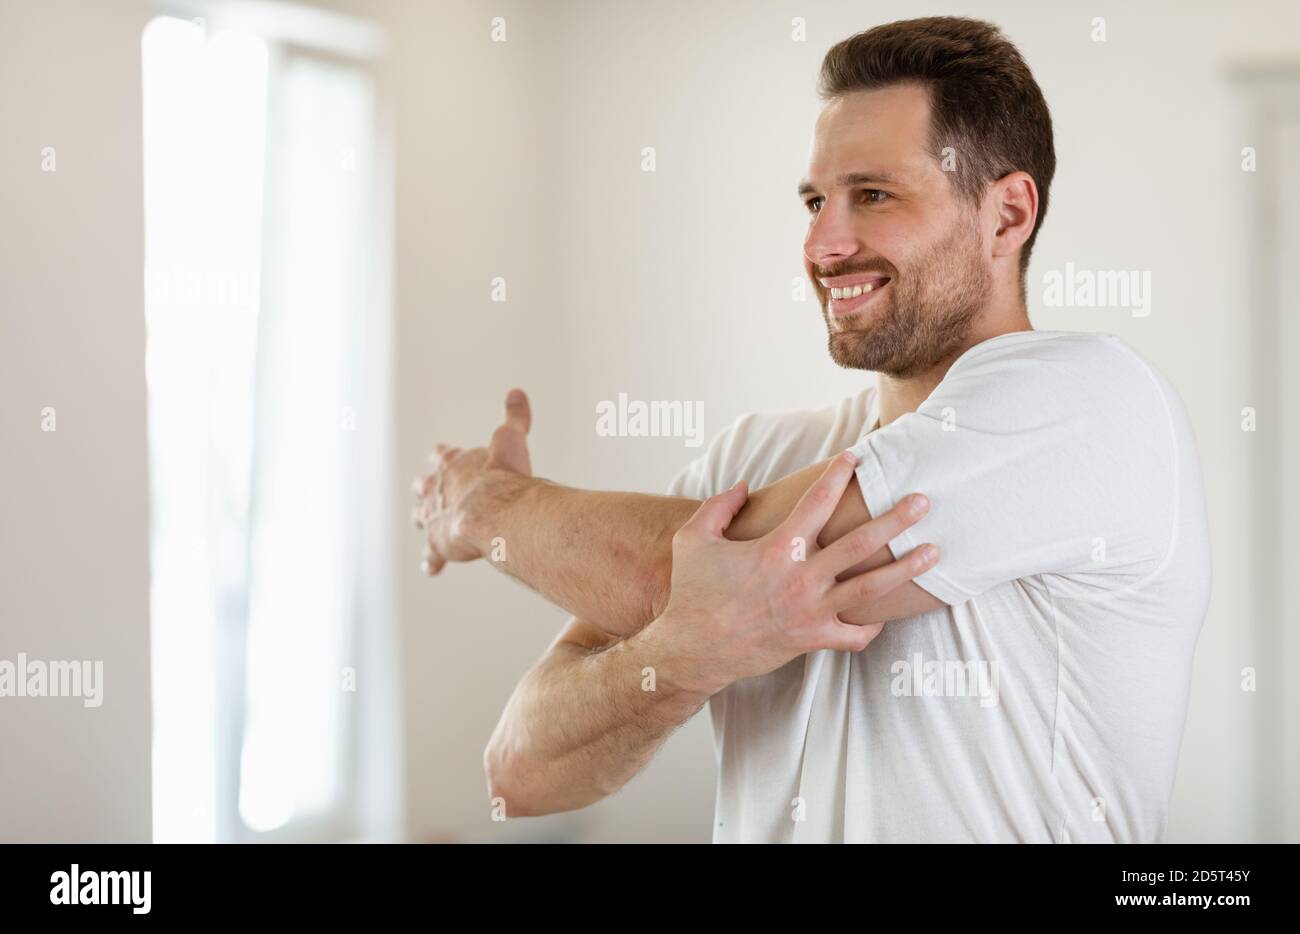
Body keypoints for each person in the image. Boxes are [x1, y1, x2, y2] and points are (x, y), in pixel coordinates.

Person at [413, 16, 1210, 843]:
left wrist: (482, 504)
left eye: (874, 195)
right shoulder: (753, 458)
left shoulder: (1093, 402)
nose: (822, 245)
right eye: (815, 201)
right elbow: (521, 771)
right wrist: (689, 651)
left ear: (1006, 216)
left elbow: (677, 571)